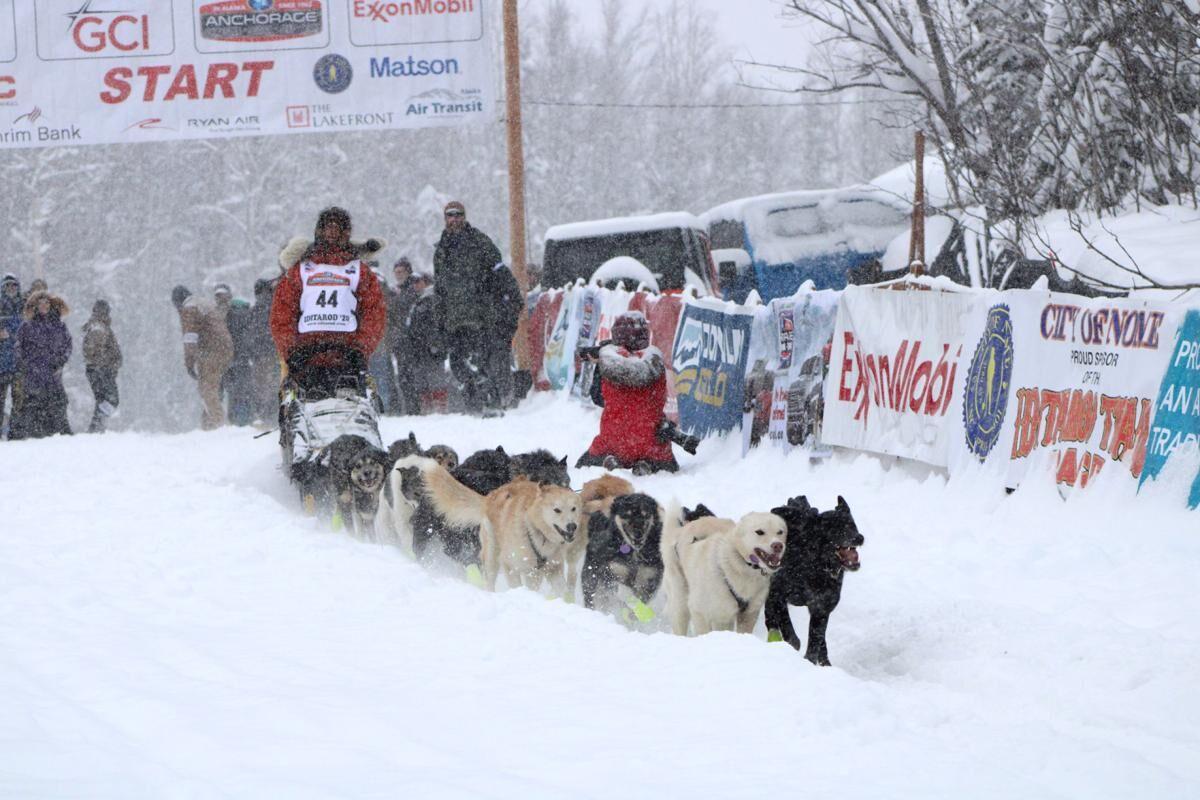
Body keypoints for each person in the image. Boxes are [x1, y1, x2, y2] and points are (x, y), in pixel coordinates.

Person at [269, 207, 386, 396]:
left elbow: (374, 314)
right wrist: (291, 350)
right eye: (327, 227)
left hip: (347, 355)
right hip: (306, 356)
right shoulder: (301, 270)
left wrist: (361, 348)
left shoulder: (360, 271)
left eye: (337, 227)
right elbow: (282, 314)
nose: (332, 232)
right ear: (319, 231)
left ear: (346, 233)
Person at [575, 311, 698, 475]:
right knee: (668, 464)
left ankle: (612, 460)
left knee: (582, 464)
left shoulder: (609, 361)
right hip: (651, 442)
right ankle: (646, 464)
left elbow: (597, 397)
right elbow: (660, 399)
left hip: (613, 441)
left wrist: (601, 362)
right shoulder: (655, 361)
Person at [432, 200, 516, 413]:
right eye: (450, 216)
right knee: (459, 366)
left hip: (480, 317)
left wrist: (507, 305)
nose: (454, 219)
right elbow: (440, 289)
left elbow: (501, 275)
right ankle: (473, 407)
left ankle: (492, 404)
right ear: (445, 219)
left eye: (458, 215)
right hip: (453, 320)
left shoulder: (479, 242)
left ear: (464, 217)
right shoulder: (441, 249)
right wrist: (439, 323)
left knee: (482, 364)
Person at [172, 284, 234, 431]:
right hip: (225, 348)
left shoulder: (189, 308)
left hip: (211, 350)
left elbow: (190, 337)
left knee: (207, 389)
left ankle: (219, 425)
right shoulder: (204, 303)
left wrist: (189, 362)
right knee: (209, 386)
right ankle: (208, 425)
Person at [13, 290, 72, 439]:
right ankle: (34, 433)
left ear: (51, 305)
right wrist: (24, 364)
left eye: (46, 303)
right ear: (35, 306)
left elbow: (68, 345)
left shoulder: (59, 326)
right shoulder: (27, 326)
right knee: (33, 404)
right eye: (40, 304)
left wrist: (61, 360)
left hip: (54, 373)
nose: (44, 306)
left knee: (58, 402)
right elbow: (18, 346)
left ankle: (59, 432)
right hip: (33, 374)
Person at [398, 269, 447, 414]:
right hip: (419, 349)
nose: (415, 285)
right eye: (413, 282)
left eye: (418, 282)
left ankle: (439, 411)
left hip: (432, 349)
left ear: (426, 283)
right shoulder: (417, 301)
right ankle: (427, 409)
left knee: (436, 381)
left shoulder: (433, 299)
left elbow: (436, 326)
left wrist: (435, 344)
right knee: (422, 383)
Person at [216, 284, 255, 426]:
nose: (220, 299)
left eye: (221, 295)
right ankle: (242, 421)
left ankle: (238, 422)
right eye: (218, 296)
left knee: (236, 392)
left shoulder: (228, 314)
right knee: (240, 391)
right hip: (238, 359)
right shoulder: (242, 313)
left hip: (234, 359)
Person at [81, 299, 122, 433]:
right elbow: (92, 352)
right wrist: (108, 363)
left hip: (99, 369)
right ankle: (97, 426)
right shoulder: (98, 328)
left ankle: (97, 428)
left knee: (103, 400)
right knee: (111, 399)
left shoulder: (99, 326)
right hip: (101, 370)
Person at [388, 257, 420, 414]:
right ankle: (411, 408)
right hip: (401, 340)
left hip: (412, 339)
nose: (398, 275)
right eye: (396, 272)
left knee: (411, 377)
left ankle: (414, 409)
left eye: (401, 272)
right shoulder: (398, 290)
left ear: (408, 272)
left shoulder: (412, 289)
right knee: (404, 376)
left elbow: (402, 308)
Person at [249, 277, 280, 423]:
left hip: (261, 352)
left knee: (262, 385)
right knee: (275, 382)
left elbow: (250, 332)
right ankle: (276, 414)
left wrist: (253, 352)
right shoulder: (277, 303)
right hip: (276, 350)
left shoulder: (256, 308)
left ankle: (266, 416)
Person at [0, 274, 22, 437]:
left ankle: (16, 432)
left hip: (18, 364)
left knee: (19, 400)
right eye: (8, 286)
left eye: (14, 286)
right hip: (1, 364)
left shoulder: (24, 306)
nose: (11, 289)